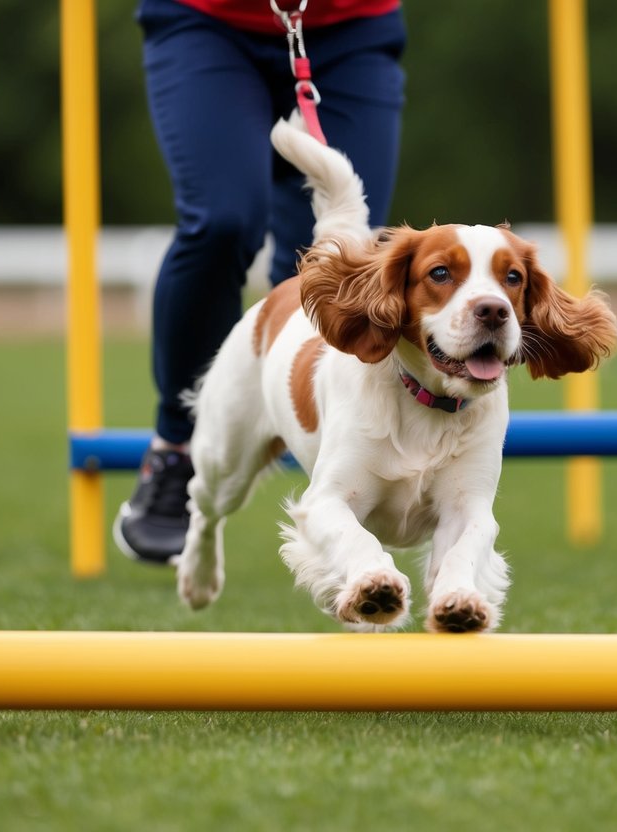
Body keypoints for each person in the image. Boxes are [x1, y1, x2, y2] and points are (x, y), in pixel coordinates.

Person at [114, 0, 407, 565]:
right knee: (222, 222)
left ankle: (338, 476)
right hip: (205, 20)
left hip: (352, 26)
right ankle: (176, 449)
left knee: (339, 265)